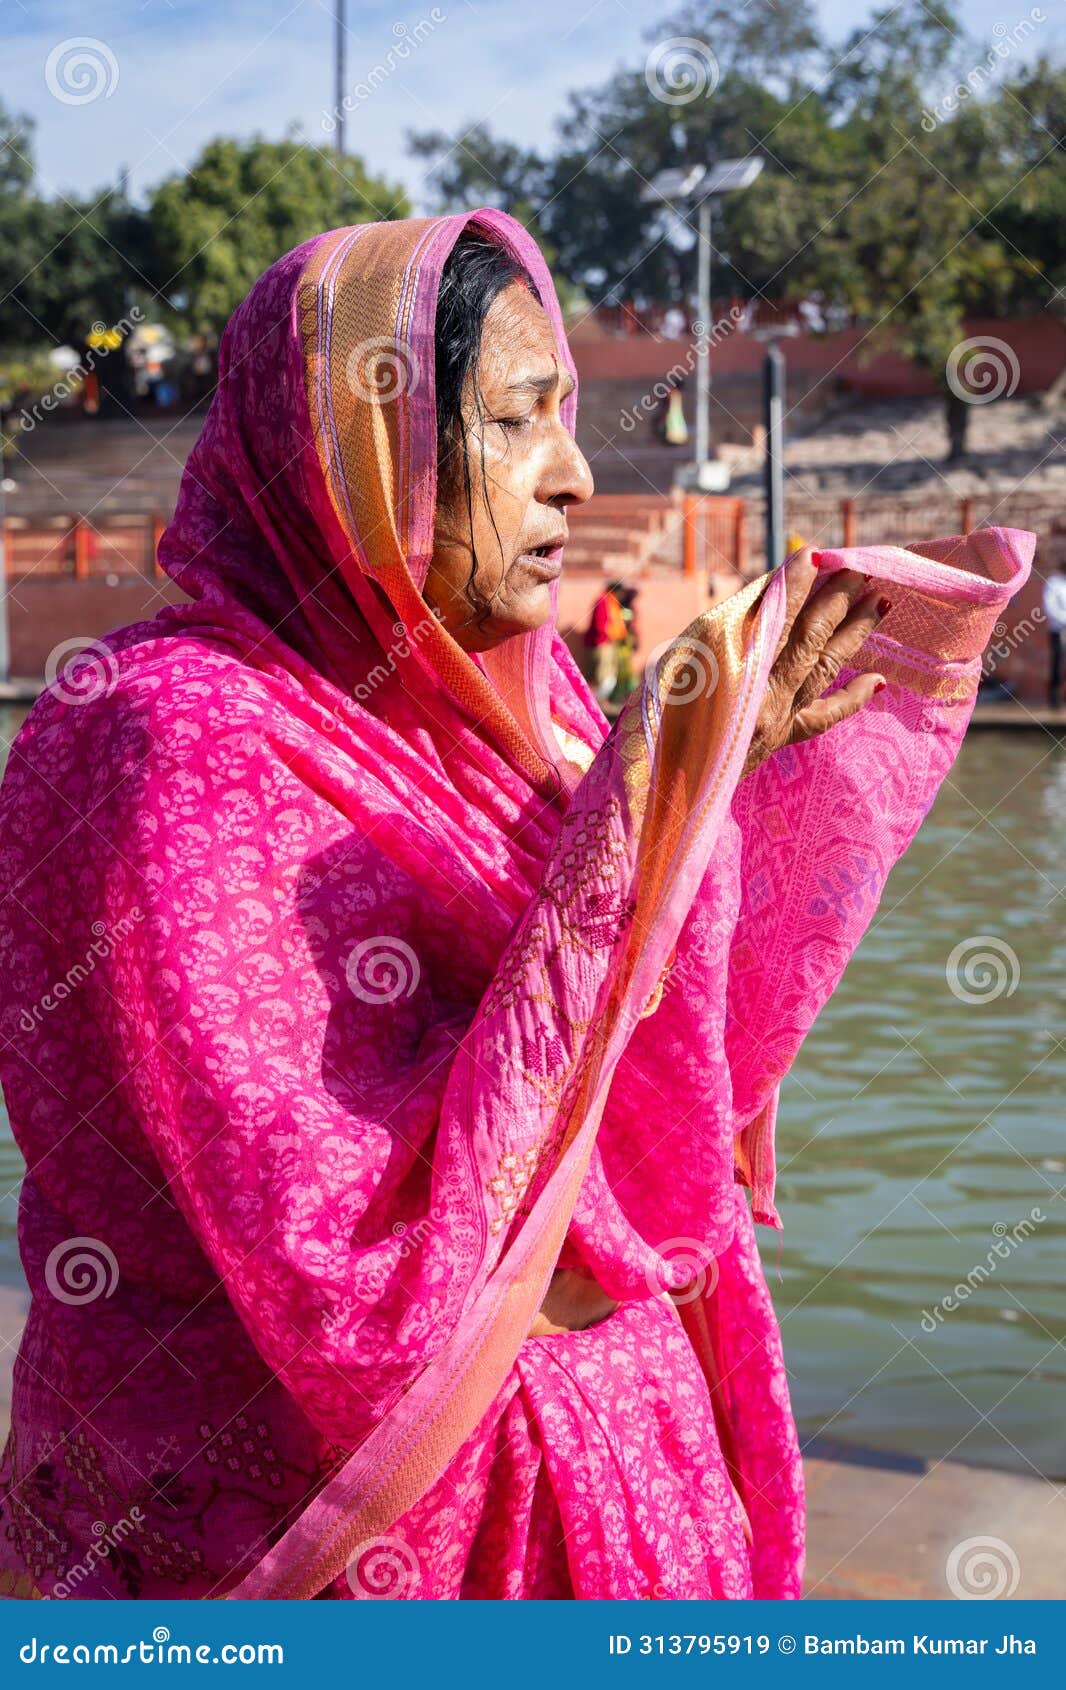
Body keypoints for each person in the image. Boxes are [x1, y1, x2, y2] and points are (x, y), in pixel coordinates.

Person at [0, 212, 1033, 1602]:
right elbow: (347, 1284)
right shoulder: (175, 738)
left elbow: (658, 1091)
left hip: (598, 1494)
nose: (573, 476)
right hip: (319, 1546)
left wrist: (710, 782)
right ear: (357, 458)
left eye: (568, 417)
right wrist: (639, 804)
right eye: (513, 421)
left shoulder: (515, 700)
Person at [582, 579, 628, 703]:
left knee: (607, 673)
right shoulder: (603, 602)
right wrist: (610, 636)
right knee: (602, 676)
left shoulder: (612, 603)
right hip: (601, 643)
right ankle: (597, 703)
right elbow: (599, 625)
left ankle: (600, 702)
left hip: (609, 643)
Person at [1042, 559, 1066, 707]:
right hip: (1058, 630)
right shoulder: (1054, 583)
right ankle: (1054, 697)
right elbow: (1049, 607)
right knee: (1057, 663)